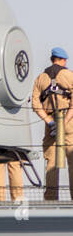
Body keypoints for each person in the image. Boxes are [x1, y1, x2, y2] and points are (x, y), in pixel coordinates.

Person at [32, 47, 73, 201]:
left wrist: (49, 122)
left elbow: (36, 104)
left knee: (52, 163)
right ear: (63, 60)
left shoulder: (40, 78)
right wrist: (65, 121)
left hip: (50, 124)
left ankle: (50, 200)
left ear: (52, 59)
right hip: (68, 123)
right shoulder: (70, 75)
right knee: (72, 159)